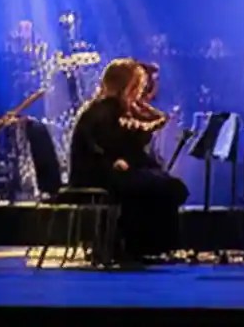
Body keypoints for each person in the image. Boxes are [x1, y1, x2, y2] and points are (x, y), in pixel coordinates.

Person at [69, 59, 188, 263]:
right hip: (97, 174)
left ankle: (142, 247)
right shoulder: (107, 109)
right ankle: (138, 247)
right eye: (138, 87)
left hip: (101, 171)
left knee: (161, 182)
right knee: (165, 186)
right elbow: (116, 144)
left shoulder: (109, 107)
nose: (140, 93)